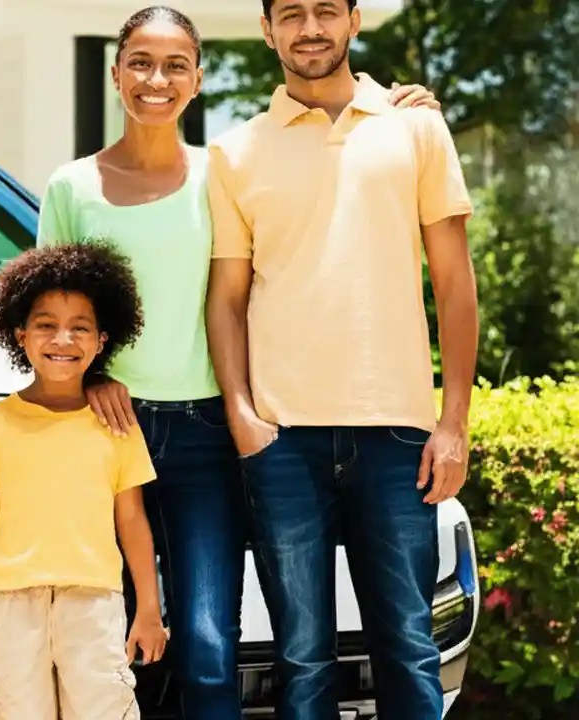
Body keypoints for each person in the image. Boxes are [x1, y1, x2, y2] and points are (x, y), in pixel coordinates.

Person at [36, 6, 442, 718]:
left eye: (174, 66)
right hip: (103, 434)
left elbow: (258, 272)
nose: (155, 80)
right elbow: (51, 316)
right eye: (138, 62)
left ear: (198, 80)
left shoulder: (221, 168)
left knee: (206, 639)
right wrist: (93, 376)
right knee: (94, 632)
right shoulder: (72, 187)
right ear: (114, 74)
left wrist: (400, 107)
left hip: (208, 432)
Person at [205, 1, 478, 718]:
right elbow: (227, 297)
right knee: (301, 660)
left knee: (409, 649)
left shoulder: (416, 127)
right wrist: (241, 414)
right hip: (281, 440)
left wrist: (453, 422)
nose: (310, 28)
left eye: (326, 10)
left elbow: (455, 283)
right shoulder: (236, 152)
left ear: (355, 21)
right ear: (268, 30)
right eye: (291, 13)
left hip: (398, 436)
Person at [0, 242, 168, 719]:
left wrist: (149, 607)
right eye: (46, 325)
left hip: (95, 603)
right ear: (20, 335)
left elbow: (133, 520)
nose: (63, 339)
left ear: (102, 340)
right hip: (11, 604)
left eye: (79, 328)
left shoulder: (117, 426)